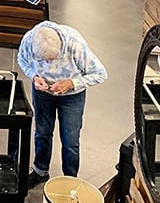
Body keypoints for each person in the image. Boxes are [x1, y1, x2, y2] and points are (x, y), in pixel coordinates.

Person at [17, 21, 107, 187]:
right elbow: (22, 60)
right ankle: (40, 171)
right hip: (42, 92)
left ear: (60, 49)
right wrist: (34, 77)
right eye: (43, 60)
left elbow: (100, 74)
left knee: (70, 139)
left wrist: (71, 84)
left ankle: (70, 180)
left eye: (52, 59)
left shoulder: (75, 45)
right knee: (42, 132)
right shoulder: (30, 39)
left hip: (71, 97)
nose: (49, 64)